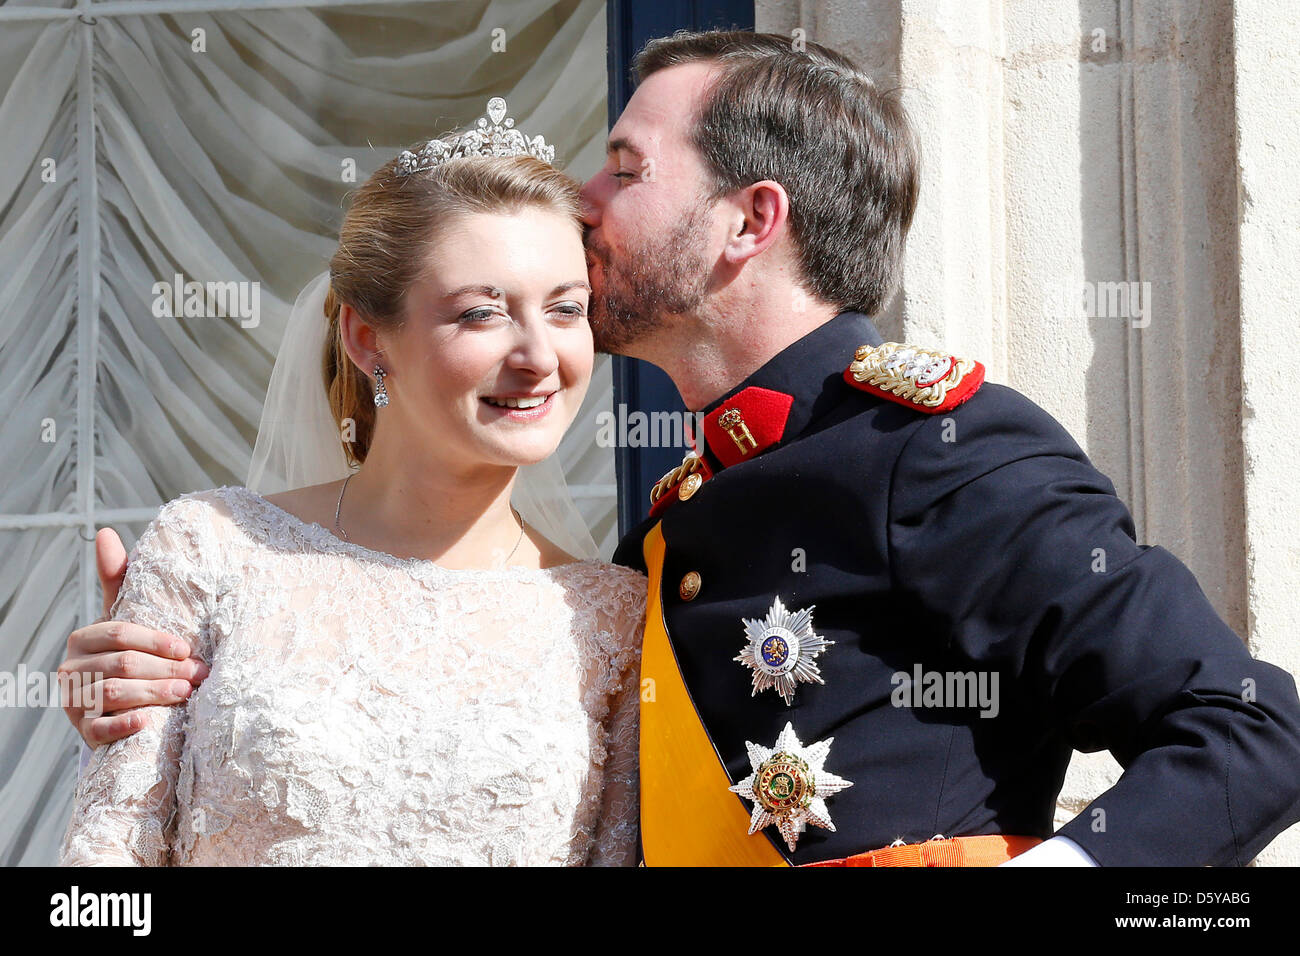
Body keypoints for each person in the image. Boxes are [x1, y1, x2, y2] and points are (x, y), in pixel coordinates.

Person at [63, 29, 1300, 867]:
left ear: (747, 221)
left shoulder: (940, 449)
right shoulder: (662, 526)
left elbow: (1251, 724)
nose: (583, 203)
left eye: (621, 168)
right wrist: (193, 681)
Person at [56, 101, 646, 866]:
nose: (538, 354)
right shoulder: (212, 549)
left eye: (566, 309)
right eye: (480, 315)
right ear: (369, 340)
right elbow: (104, 871)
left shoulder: (614, 618)